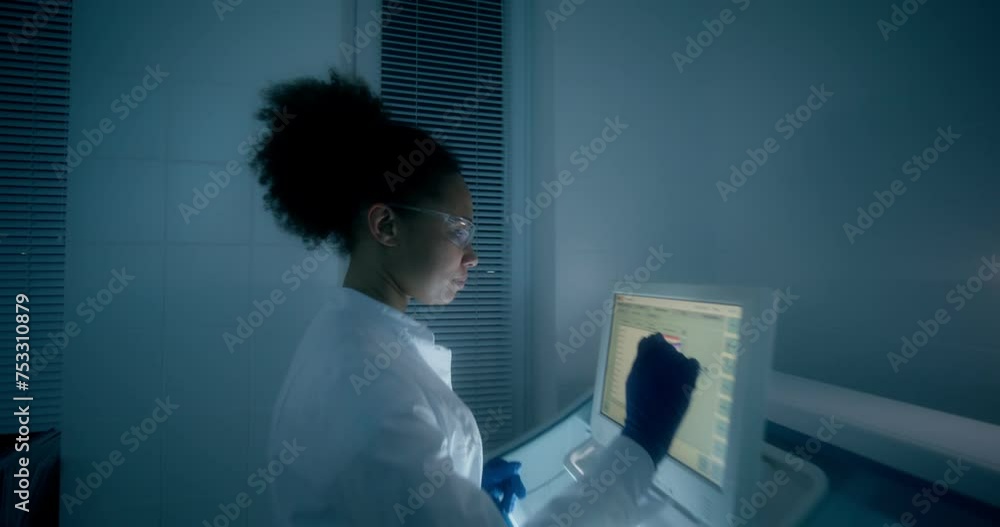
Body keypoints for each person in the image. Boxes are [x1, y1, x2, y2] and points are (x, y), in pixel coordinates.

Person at [251, 69, 701, 526]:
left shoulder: (347, 335)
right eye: (458, 230)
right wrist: (641, 442)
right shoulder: (369, 393)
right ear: (385, 226)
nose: (472, 256)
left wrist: (455, 489)